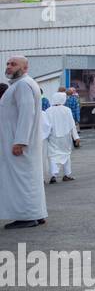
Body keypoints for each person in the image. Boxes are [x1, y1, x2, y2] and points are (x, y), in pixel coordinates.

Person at [2, 56, 49, 228]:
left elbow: (26, 114)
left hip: (19, 143)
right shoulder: (21, 84)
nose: (9, 67)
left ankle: (27, 216)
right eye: (7, 64)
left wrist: (20, 141)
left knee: (22, 179)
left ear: (25, 67)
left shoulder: (23, 85)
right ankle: (36, 213)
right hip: (19, 141)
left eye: (13, 64)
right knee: (28, 178)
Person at [42, 91, 78, 183]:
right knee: (66, 154)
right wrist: (76, 137)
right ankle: (66, 174)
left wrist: (45, 136)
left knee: (53, 156)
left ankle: (54, 175)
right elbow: (72, 124)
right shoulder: (67, 110)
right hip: (66, 137)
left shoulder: (48, 111)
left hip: (53, 137)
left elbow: (46, 125)